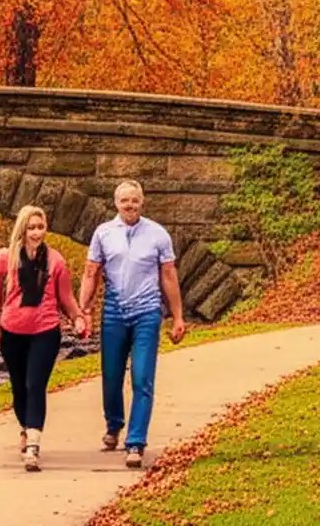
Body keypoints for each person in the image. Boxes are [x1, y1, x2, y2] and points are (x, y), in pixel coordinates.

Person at [78, 180, 186, 469]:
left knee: (142, 378)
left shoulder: (157, 234)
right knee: (111, 377)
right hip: (114, 312)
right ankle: (114, 425)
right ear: (116, 203)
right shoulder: (103, 233)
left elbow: (168, 276)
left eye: (134, 200)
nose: (130, 205)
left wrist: (177, 316)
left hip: (147, 313)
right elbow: (91, 273)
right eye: (125, 200)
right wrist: (84, 310)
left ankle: (136, 441)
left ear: (142, 202)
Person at [0, 205, 87, 472]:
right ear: (22, 229)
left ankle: (33, 445)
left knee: (35, 384)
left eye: (41, 227)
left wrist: (78, 318)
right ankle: (26, 428)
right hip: (13, 332)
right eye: (32, 227)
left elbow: (66, 297)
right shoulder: (5, 259)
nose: (37, 233)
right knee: (19, 387)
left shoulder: (55, 261)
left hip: (45, 331)